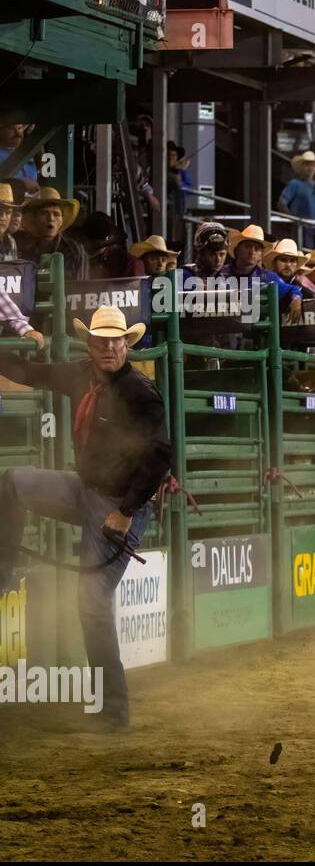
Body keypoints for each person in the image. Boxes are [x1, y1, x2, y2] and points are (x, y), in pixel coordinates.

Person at [0, 305, 171, 731]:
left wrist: (126, 511)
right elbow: (31, 373)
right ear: (90, 345)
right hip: (86, 489)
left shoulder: (139, 392)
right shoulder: (79, 375)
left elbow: (159, 457)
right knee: (12, 483)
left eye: (116, 340)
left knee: (91, 604)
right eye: (101, 341)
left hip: (118, 504)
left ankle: (114, 711)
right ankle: (3, 570)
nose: (109, 347)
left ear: (125, 345)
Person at [15, 186, 88, 279]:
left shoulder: (74, 250)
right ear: (35, 219)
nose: (51, 219)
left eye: (56, 214)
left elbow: (81, 288)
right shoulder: (23, 248)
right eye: (44, 213)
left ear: (61, 220)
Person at [277, 152, 315, 248]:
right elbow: (281, 203)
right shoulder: (295, 184)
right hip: (302, 228)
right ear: (302, 168)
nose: (310, 168)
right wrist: (293, 219)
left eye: (312, 165)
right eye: (307, 165)